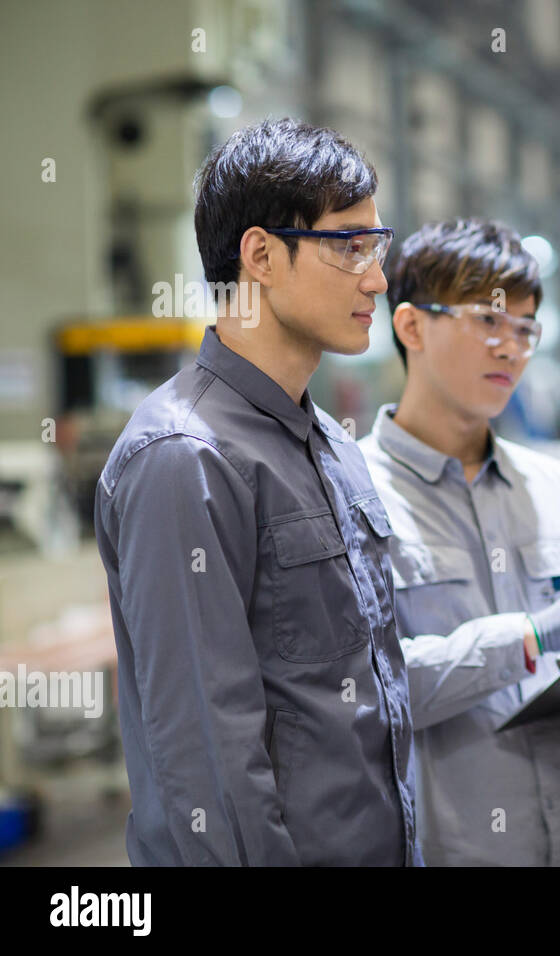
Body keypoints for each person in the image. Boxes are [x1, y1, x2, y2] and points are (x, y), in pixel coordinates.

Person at [93, 118, 419, 865]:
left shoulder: (332, 446)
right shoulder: (184, 459)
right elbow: (208, 760)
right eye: (349, 246)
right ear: (262, 255)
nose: (375, 277)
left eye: (378, 247)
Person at [358, 217, 560, 866]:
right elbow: (364, 692)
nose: (511, 348)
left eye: (526, 328)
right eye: (489, 321)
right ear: (412, 326)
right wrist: (529, 637)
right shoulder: (351, 495)